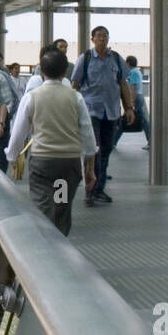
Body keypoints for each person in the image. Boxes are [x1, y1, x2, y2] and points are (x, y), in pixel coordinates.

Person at [5, 47, 97, 236]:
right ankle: (60, 244)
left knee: (42, 206)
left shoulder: (32, 97)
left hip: (42, 165)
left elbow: (18, 132)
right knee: (60, 206)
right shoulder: (75, 97)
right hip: (67, 165)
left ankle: (45, 247)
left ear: (42, 71)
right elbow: (87, 133)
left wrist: (12, 158)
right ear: (65, 71)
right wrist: (90, 165)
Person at [71, 26, 135, 206]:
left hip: (111, 111)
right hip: (91, 111)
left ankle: (99, 188)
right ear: (92, 39)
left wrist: (129, 108)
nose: (102, 40)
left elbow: (123, 84)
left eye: (105, 36)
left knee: (106, 150)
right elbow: (75, 85)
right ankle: (89, 191)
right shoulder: (85, 58)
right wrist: (69, 108)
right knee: (93, 150)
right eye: (99, 36)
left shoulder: (115, 59)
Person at [125, 55, 150, 149]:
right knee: (140, 119)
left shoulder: (133, 73)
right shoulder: (137, 72)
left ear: (128, 63)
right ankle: (114, 141)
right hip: (138, 97)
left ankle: (151, 141)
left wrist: (131, 101)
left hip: (137, 97)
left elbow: (133, 87)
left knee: (143, 120)